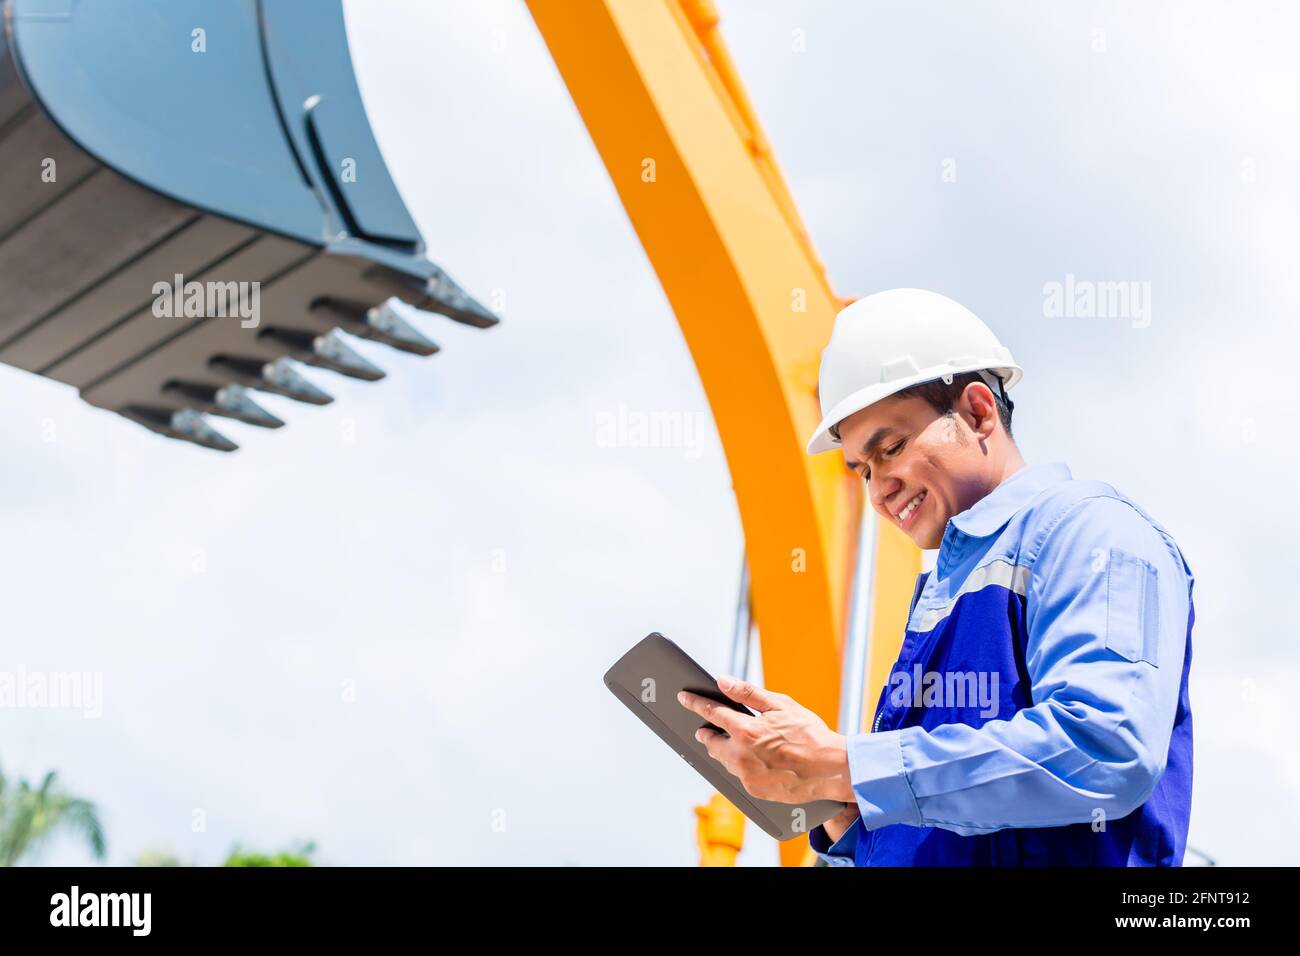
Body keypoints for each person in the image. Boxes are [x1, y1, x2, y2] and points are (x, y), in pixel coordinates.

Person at [676, 288, 1194, 866]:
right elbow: (944, 816)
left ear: (978, 411)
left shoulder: (1091, 533)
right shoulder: (944, 601)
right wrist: (846, 812)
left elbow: (1105, 748)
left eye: (891, 447)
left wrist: (846, 765)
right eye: (862, 470)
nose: (877, 490)